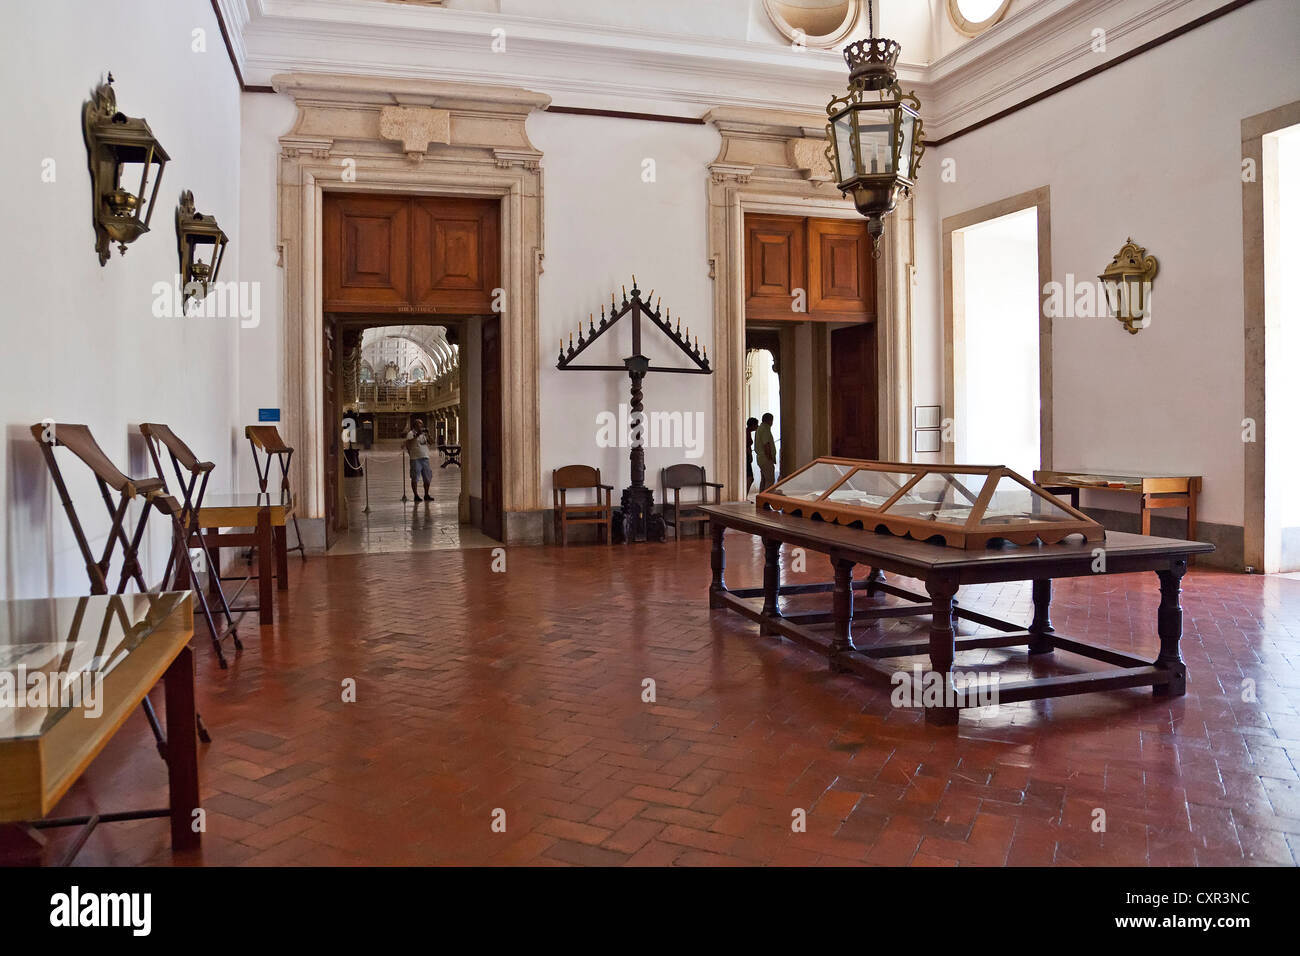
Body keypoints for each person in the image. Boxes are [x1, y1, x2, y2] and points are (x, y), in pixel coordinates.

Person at [405, 415, 434, 502]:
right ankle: (416, 495)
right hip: (415, 458)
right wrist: (418, 434)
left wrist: (428, 434)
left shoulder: (423, 434)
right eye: (419, 425)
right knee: (415, 477)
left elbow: (431, 442)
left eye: (421, 425)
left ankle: (426, 494)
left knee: (427, 477)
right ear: (415, 426)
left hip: (425, 457)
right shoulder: (411, 433)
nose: (421, 426)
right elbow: (409, 442)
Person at [756, 412, 777, 491]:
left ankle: (761, 500)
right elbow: (766, 444)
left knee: (764, 480)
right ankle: (766, 500)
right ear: (769, 420)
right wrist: (770, 457)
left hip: (761, 459)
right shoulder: (765, 429)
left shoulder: (760, 428)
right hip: (765, 459)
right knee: (770, 480)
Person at [745, 417, 759, 495]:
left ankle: (745, 495)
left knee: (749, 478)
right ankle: (745, 496)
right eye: (756, 424)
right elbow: (746, 446)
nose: (757, 426)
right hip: (746, 456)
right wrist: (750, 455)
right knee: (750, 478)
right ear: (753, 425)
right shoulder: (747, 432)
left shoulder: (748, 432)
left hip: (747, 456)